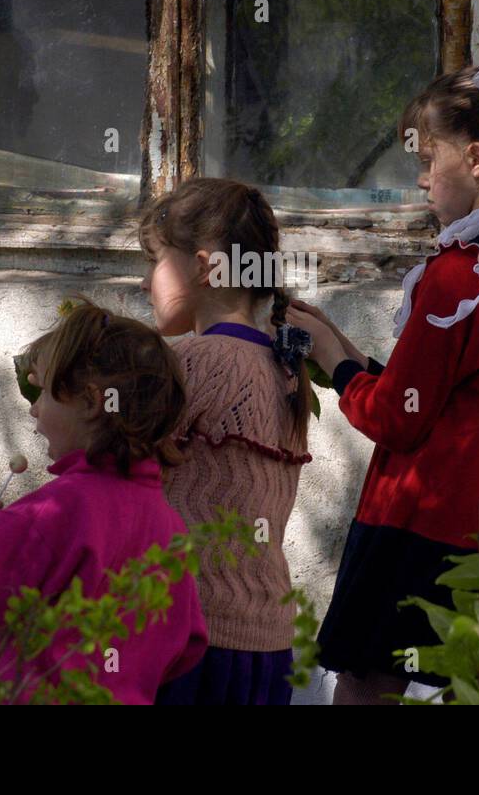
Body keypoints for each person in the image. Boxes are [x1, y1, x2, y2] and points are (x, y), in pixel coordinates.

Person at [287, 18, 479, 704]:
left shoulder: (460, 277)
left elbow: (398, 418)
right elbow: (442, 394)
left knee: (367, 683)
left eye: (429, 160)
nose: (423, 179)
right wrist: (340, 348)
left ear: (478, 160)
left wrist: (337, 367)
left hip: (419, 517)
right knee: (477, 688)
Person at [0, 302, 207, 704]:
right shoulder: (170, 525)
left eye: (45, 392)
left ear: (89, 402)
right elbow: (188, 641)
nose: (34, 409)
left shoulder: (54, 509)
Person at [139, 178, 314, 705]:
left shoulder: (192, 365)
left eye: (156, 261)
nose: (147, 280)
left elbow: (118, 473)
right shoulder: (285, 369)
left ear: (205, 265)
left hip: (190, 640)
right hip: (269, 643)